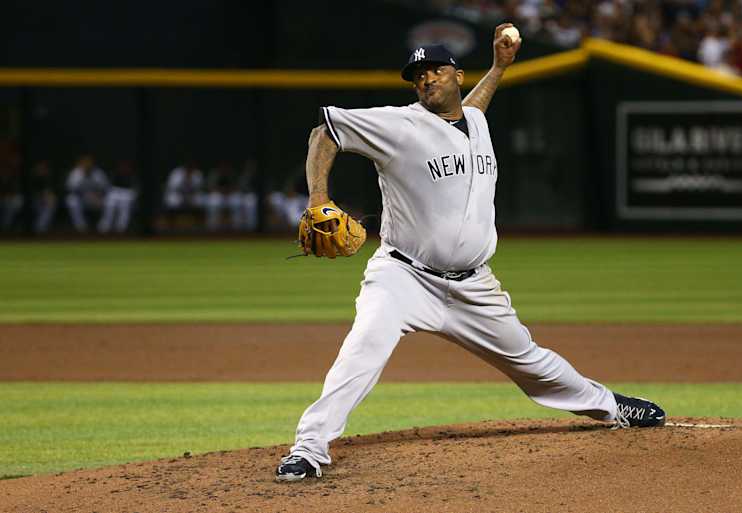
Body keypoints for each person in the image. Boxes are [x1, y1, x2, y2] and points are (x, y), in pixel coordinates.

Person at [275, 24, 665, 482]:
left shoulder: (475, 120)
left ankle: (609, 405)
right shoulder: (398, 125)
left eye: (435, 70)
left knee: (531, 362)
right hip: (404, 278)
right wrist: (318, 198)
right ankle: (309, 448)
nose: (425, 79)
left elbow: (469, 113)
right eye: (417, 75)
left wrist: (499, 66)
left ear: (457, 75)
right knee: (363, 349)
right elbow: (325, 132)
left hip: (475, 286)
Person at [65, 154, 109, 232]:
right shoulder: (76, 173)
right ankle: (81, 227)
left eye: (89, 162)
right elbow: (70, 189)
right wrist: (85, 195)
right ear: (81, 163)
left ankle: (103, 228)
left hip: (97, 199)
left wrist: (98, 195)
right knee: (71, 201)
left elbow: (105, 188)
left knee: (110, 201)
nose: (87, 164)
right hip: (81, 199)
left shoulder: (98, 173)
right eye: (85, 162)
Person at [97, 159, 138, 233]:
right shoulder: (114, 174)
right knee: (110, 206)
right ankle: (104, 228)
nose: (124, 168)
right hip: (114, 192)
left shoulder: (132, 176)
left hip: (127, 193)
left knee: (125, 208)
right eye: (122, 166)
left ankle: (120, 229)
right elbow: (107, 187)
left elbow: (135, 189)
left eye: (126, 166)